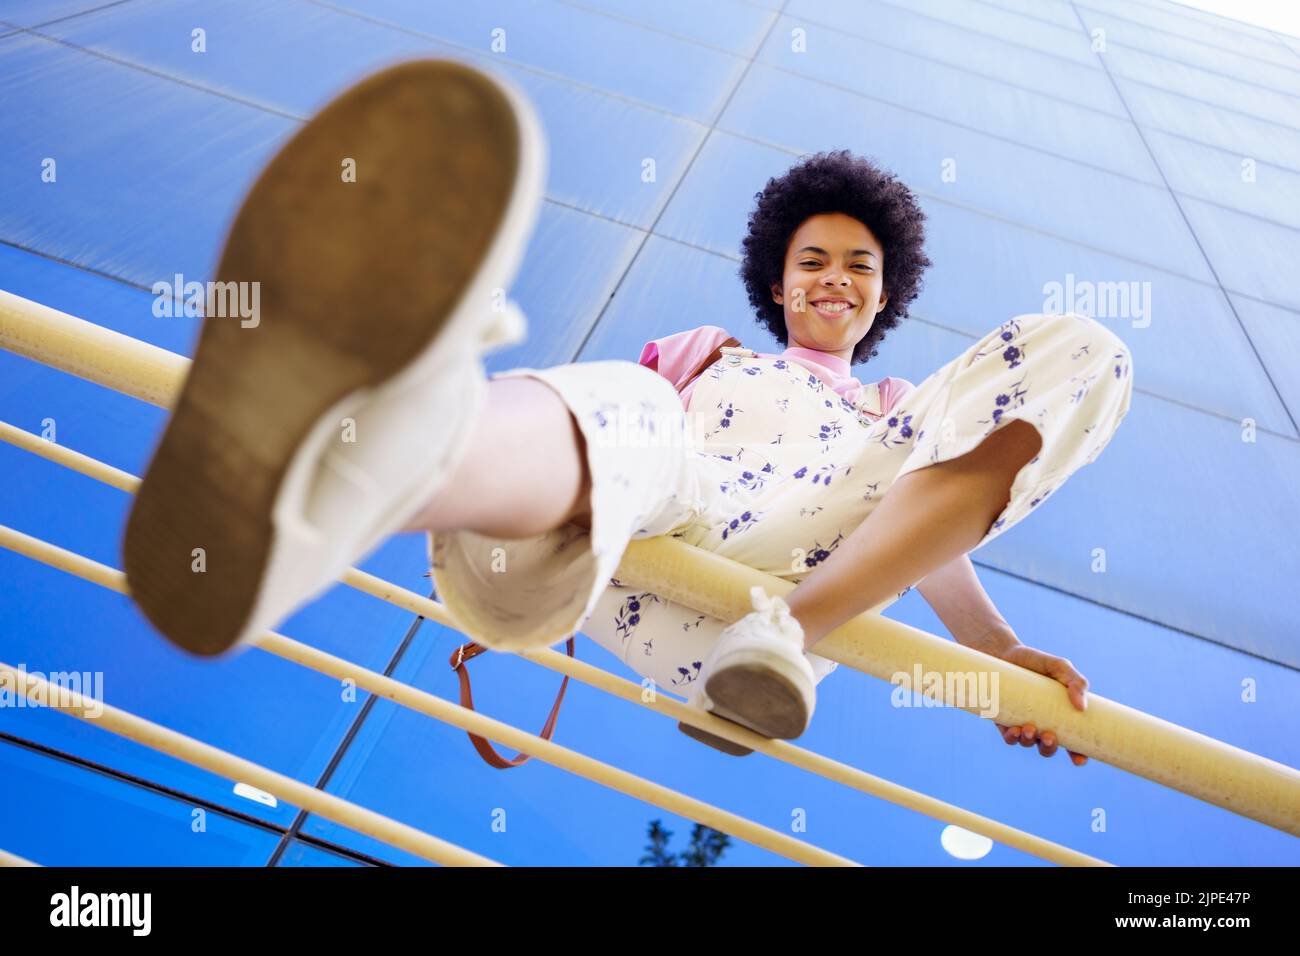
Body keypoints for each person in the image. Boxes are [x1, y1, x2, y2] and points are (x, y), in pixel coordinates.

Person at [124, 59, 1132, 765]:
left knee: (1087, 349)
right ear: (776, 286)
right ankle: (349, 478)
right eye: (810, 261)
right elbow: (615, 433)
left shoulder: (892, 413)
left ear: (883, 294)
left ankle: (782, 634)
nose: (833, 279)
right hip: (632, 542)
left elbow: (932, 550)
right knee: (638, 401)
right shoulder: (708, 354)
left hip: (781, 597)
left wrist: (997, 655)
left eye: (857, 266)